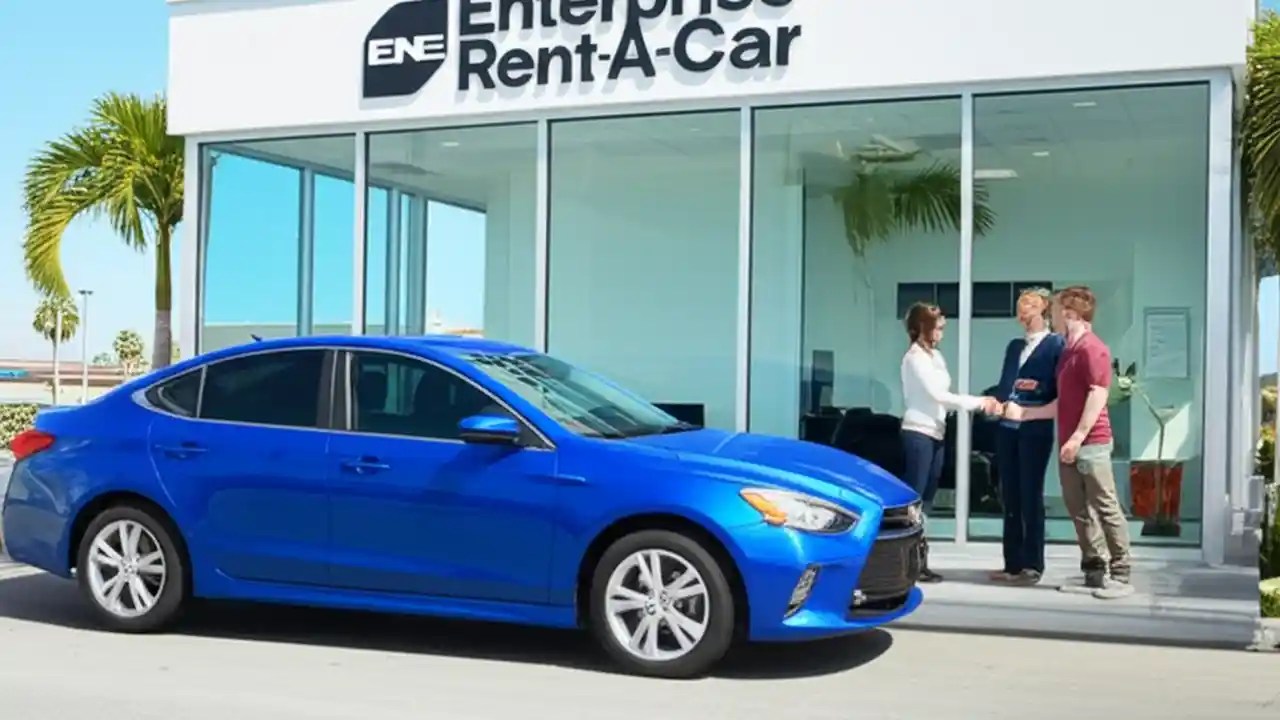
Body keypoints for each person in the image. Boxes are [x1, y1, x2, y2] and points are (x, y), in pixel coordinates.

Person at [1004, 286, 1133, 598]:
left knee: (1105, 505)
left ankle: (1121, 571)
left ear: (1071, 313)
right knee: (1078, 509)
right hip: (1069, 444)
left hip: (1092, 442)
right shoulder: (1068, 352)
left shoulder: (1093, 349)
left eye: (1062, 310)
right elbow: (1061, 402)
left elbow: (1098, 394)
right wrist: (1027, 414)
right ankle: (1093, 568)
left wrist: (1077, 437)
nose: (1057, 317)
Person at [900, 302, 1000, 583]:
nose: (942, 332)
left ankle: (920, 560)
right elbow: (938, 395)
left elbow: (945, 394)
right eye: (938, 327)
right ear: (923, 327)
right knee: (914, 500)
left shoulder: (936, 357)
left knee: (928, 499)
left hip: (936, 433)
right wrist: (979, 403)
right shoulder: (914, 358)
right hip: (918, 432)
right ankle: (907, 562)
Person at [988, 288, 1065, 586]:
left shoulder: (1055, 344)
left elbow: (1055, 389)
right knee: (1010, 493)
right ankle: (1012, 563)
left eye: (1029, 308)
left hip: (1035, 426)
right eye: (1020, 308)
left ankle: (1032, 563)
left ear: (1043, 310)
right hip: (1008, 425)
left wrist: (1034, 406)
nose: (1023, 314)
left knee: (1030, 493)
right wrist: (996, 403)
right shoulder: (1014, 346)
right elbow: (1006, 384)